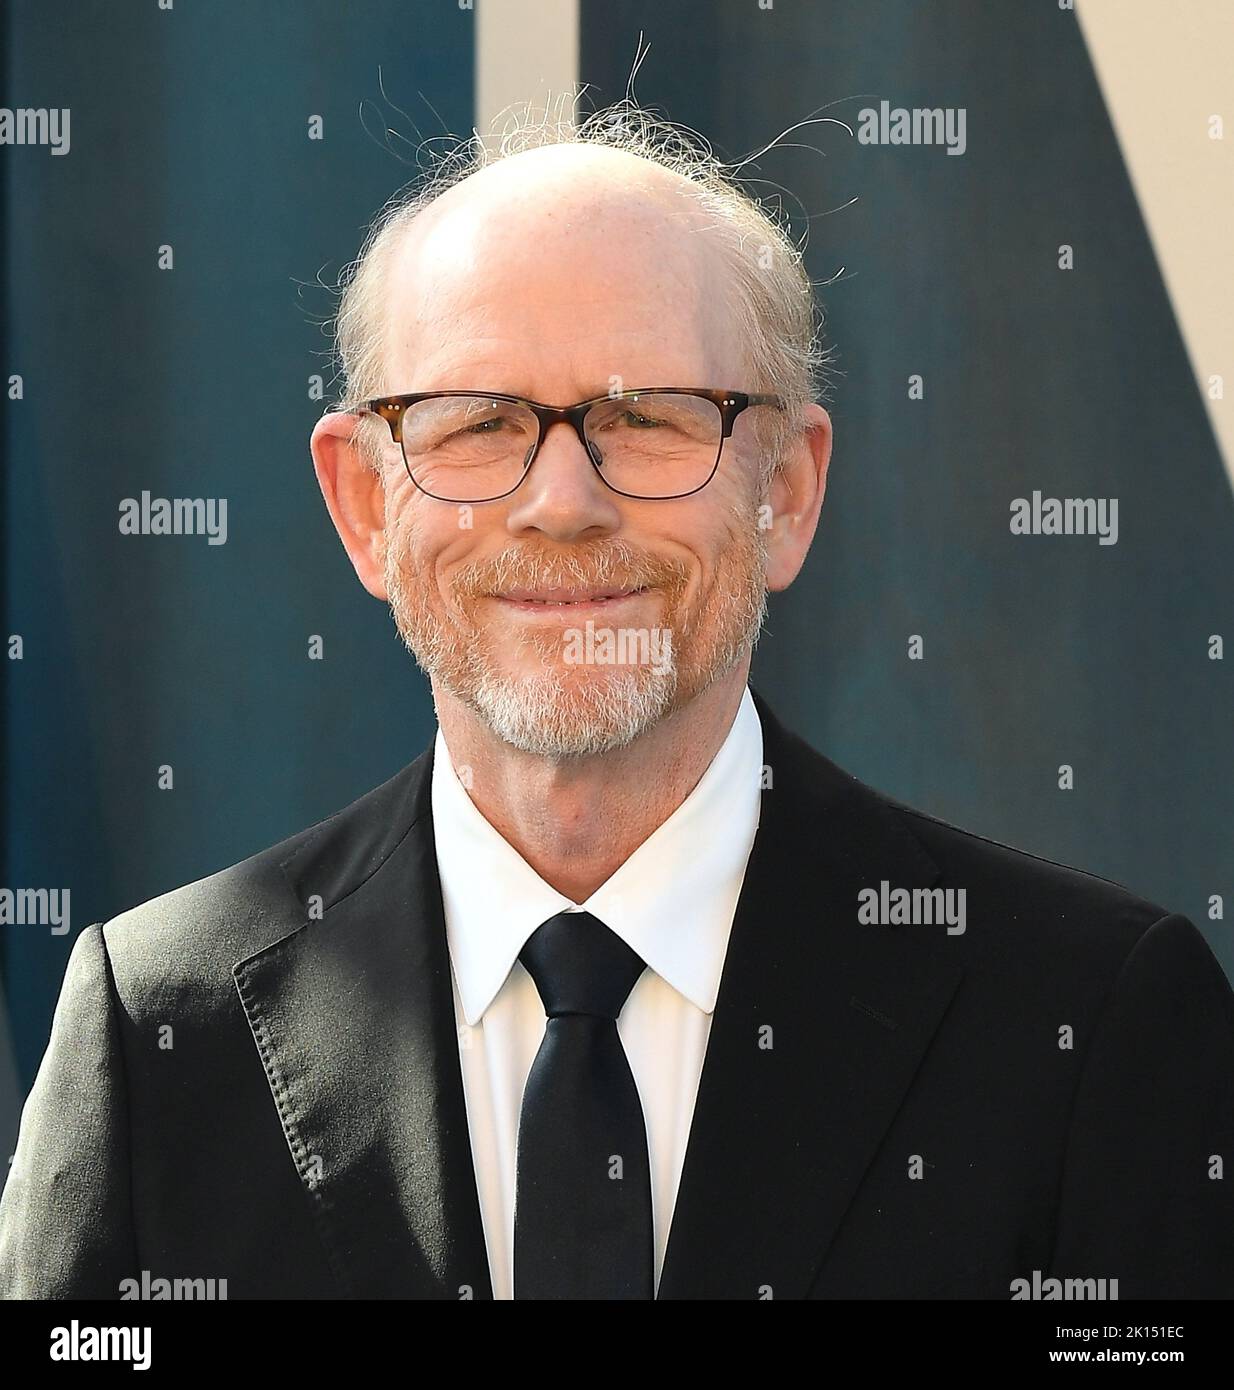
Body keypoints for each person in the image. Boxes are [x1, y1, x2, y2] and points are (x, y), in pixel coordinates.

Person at [3, 103, 1232, 1301]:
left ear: (788, 490)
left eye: (643, 417)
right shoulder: (157, 1030)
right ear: (365, 508)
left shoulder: (1089, 1023)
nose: (561, 501)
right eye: (477, 423)